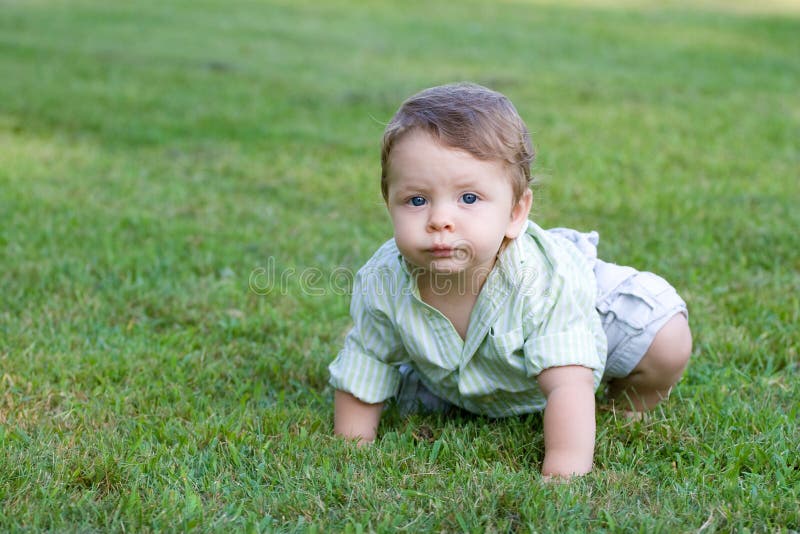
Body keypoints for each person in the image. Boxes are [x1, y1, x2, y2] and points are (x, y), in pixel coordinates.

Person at [328, 82, 692, 478]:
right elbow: (367, 359)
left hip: (588, 320)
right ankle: (470, 393)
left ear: (516, 213)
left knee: (665, 338)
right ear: (389, 204)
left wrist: (562, 477)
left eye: (468, 198)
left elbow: (569, 381)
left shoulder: (544, 280)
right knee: (409, 395)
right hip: (472, 371)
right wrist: (353, 454)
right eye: (417, 200)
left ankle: (626, 407)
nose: (439, 220)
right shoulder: (383, 279)